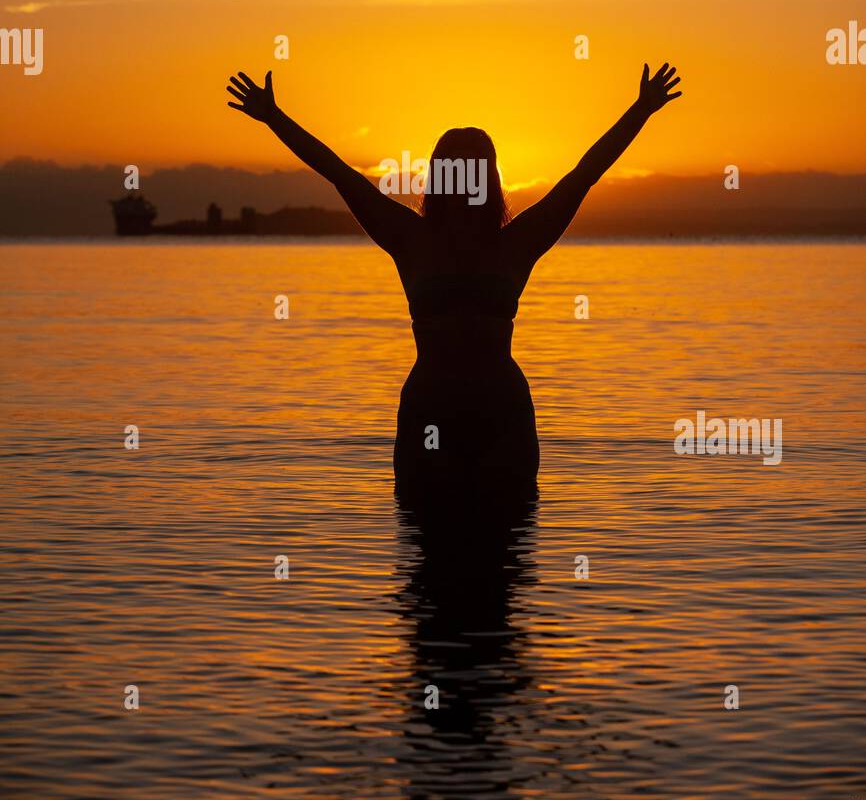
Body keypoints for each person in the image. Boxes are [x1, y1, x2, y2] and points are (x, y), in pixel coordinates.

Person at [226, 61, 682, 507]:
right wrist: (274, 118)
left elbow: (585, 174)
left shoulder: (514, 242)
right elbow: (338, 173)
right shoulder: (410, 237)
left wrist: (640, 111)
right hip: (431, 414)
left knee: (500, 563)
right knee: (429, 562)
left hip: (501, 419)